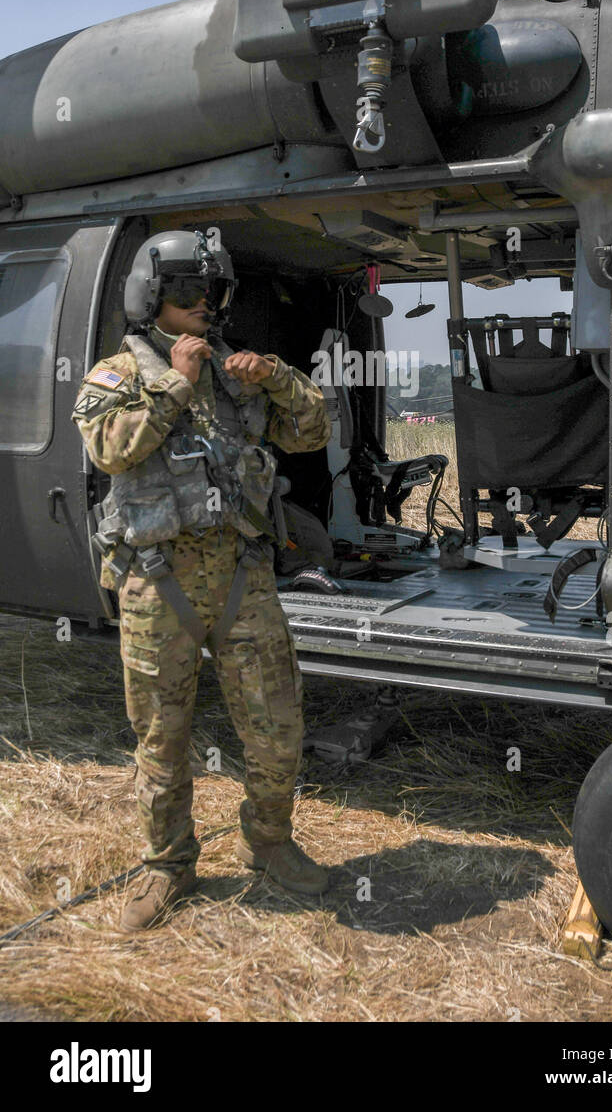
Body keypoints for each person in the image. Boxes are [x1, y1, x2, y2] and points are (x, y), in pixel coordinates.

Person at [72, 229, 332, 931]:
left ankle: (271, 843)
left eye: (215, 292)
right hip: (159, 584)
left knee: (278, 723)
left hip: (244, 577)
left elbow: (312, 431)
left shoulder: (237, 371)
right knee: (162, 739)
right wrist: (176, 382)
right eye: (190, 292)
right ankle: (168, 868)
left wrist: (275, 376)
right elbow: (110, 447)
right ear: (151, 299)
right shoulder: (116, 374)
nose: (206, 306)